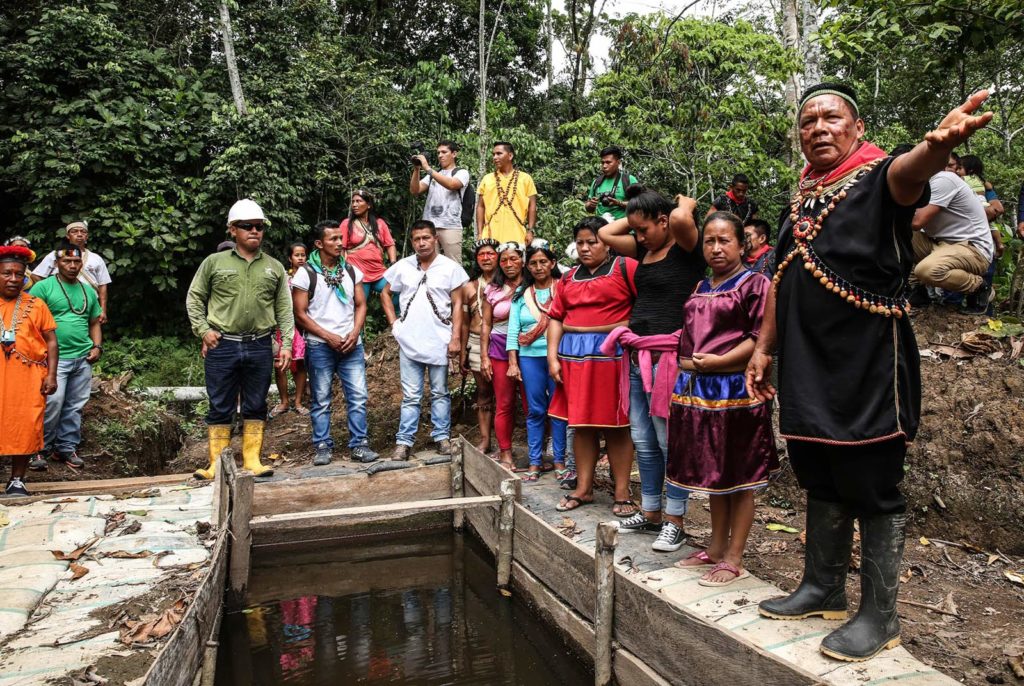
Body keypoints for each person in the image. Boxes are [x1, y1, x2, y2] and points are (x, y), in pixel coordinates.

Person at [747, 83, 992, 662]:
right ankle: (822, 587)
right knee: (818, 473)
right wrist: (763, 347)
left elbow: (910, 172)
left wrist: (935, 146)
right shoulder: (803, 196)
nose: (819, 128)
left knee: (870, 482)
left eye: (832, 117)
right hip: (805, 361)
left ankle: (879, 616)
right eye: (808, 121)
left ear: (856, 127)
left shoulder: (880, 178)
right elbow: (782, 278)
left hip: (867, 363)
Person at [669, 212, 779, 585]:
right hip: (699, 389)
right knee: (715, 474)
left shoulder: (755, 283)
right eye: (709, 241)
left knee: (740, 473)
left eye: (724, 240)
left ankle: (734, 556)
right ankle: (715, 548)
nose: (716, 248)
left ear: (741, 243)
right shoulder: (702, 285)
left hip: (737, 388)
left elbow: (759, 335)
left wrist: (719, 361)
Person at [597, 187, 703, 553]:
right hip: (638, 357)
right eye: (636, 230)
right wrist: (638, 210)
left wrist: (680, 204)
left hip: (669, 358)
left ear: (663, 221)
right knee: (643, 440)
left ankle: (675, 520)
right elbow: (605, 234)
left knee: (667, 440)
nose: (637, 237)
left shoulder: (688, 247)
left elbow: (680, 219)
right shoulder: (645, 250)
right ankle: (652, 511)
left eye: (644, 229)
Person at [186, 199, 294, 479]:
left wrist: (287, 344)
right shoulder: (214, 263)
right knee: (220, 404)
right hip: (223, 344)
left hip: (260, 344)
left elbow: (285, 308)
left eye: (259, 227)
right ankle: (216, 465)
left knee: (255, 403)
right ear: (233, 230)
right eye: (247, 227)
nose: (254, 231)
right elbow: (195, 297)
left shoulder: (274, 267)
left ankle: (252, 460)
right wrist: (203, 330)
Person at [547, 217, 638, 517]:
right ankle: (584, 489)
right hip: (573, 356)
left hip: (612, 356)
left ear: (607, 242)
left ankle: (622, 493)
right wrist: (551, 356)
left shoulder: (626, 268)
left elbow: (645, 308)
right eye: (581, 243)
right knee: (581, 424)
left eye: (592, 242)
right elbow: (556, 317)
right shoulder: (568, 278)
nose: (585, 248)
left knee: (617, 425)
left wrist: (617, 327)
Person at [382, 220, 469, 460]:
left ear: (436, 239)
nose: (421, 243)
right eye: (417, 239)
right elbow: (385, 293)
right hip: (409, 340)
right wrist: (394, 324)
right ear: (412, 242)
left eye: (426, 238)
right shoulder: (403, 266)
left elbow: (459, 305)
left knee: (440, 392)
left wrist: (455, 339)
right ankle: (404, 442)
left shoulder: (450, 268)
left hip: (439, 339)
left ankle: (442, 438)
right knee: (411, 394)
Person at [292, 222, 378, 465]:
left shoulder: (351, 271)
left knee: (358, 396)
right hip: (320, 346)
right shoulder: (306, 273)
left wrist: (354, 332)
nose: (340, 243)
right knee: (321, 398)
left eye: (341, 238)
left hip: (352, 344)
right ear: (319, 244)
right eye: (333, 239)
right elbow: (300, 313)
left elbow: (361, 304)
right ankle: (322, 446)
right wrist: (327, 336)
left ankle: (359, 445)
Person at [28, 241, 103, 471]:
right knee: (52, 402)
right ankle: (39, 448)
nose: (72, 265)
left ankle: (66, 448)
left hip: (83, 357)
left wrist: (97, 347)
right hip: (53, 360)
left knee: (75, 405)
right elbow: (29, 323)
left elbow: (94, 322)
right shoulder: (43, 288)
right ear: (56, 262)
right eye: (66, 261)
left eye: (76, 261)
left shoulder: (87, 290)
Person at [0, 245, 58, 496]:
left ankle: (17, 480)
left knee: (25, 424)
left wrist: (52, 375)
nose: (14, 279)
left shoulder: (36, 304)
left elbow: (52, 341)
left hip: (27, 376)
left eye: (19, 274)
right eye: (6, 273)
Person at [507, 243, 566, 482]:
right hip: (530, 357)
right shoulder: (522, 295)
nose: (539, 267)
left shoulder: (563, 289)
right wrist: (513, 362)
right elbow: (513, 330)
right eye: (533, 263)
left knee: (559, 410)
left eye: (543, 262)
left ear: (552, 263)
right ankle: (534, 461)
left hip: (559, 356)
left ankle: (560, 459)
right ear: (527, 266)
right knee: (535, 410)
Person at [906, 154, 994, 310]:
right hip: (941, 243)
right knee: (897, 233)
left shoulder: (943, 180)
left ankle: (980, 287)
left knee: (926, 270)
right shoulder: (924, 184)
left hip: (973, 249)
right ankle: (918, 291)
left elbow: (917, 221)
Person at [481, 242, 526, 470]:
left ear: (523, 260)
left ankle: (539, 453)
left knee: (533, 404)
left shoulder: (532, 285)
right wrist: (484, 357)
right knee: (505, 403)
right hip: (499, 348)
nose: (509, 264)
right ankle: (505, 452)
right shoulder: (492, 289)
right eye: (504, 260)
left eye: (514, 259)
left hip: (529, 347)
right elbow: (486, 324)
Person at [461, 239, 500, 454]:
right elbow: (465, 323)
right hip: (476, 343)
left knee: (506, 395)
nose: (486, 258)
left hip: (503, 342)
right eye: (481, 254)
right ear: (476, 259)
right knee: (483, 392)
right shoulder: (470, 287)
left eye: (491, 254)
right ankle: (485, 440)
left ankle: (506, 441)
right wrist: (462, 352)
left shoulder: (509, 283)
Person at [32, 221, 112, 324]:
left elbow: (102, 285)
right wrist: (50, 292)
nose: (79, 234)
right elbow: (36, 275)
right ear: (67, 236)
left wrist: (102, 310)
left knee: (92, 330)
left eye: (83, 232)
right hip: (60, 304)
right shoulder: (57, 254)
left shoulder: (96, 258)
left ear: (87, 236)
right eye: (74, 231)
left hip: (89, 304)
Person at [410, 140, 472, 261]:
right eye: (438, 153)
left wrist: (427, 168)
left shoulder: (461, 172)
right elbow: (415, 190)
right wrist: (417, 169)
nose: (440, 155)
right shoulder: (434, 174)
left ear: (454, 154)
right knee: (430, 262)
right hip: (430, 225)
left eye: (444, 152)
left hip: (450, 225)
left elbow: (452, 184)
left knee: (454, 263)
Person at [270, 241, 310, 419]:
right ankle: (284, 401)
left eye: (303, 255)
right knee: (279, 364)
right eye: (297, 255)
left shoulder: (311, 275)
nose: (300, 258)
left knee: (300, 363)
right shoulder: (284, 277)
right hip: (284, 324)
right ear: (290, 258)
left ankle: (298, 401)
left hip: (303, 325)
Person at [340, 189, 397, 307]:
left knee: (399, 290)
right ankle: (356, 326)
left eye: (359, 201)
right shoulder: (347, 224)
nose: (354, 204)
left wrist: (393, 263)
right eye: (353, 201)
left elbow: (390, 244)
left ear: (369, 205)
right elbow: (341, 248)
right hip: (358, 274)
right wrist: (344, 268)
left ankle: (397, 322)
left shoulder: (380, 223)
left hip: (379, 273)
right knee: (359, 307)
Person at [476, 142, 537, 244]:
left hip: (517, 234)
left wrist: (530, 231)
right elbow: (480, 207)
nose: (495, 157)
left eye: (499, 154)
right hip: (490, 235)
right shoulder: (487, 179)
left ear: (510, 156)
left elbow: (532, 206)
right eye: (493, 154)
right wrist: (480, 233)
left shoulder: (525, 178)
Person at [584, 146, 638, 221]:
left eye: (608, 162)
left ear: (618, 162)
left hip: (624, 227)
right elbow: (588, 209)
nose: (604, 166)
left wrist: (619, 203)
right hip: (601, 226)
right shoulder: (596, 182)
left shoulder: (629, 180)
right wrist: (590, 204)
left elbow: (639, 204)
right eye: (602, 163)